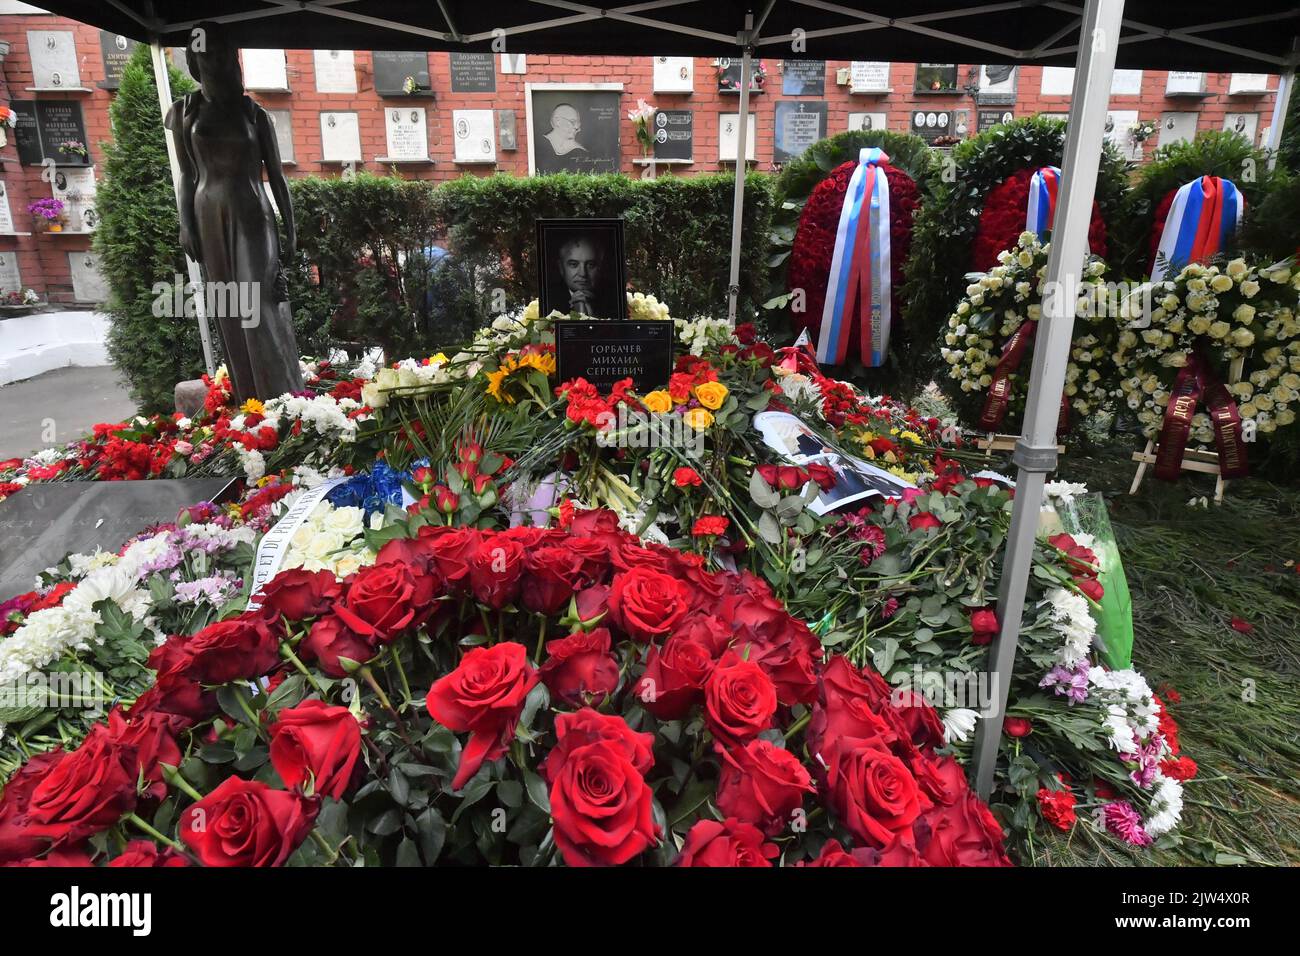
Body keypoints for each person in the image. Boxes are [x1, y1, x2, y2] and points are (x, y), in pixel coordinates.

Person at [166, 21, 303, 403]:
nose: (215, 61)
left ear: (231, 58)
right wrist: (186, 225)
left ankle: (283, 395)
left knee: (258, 304)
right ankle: (250, 399)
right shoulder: (185, 112)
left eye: (221, 53)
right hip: (208, 213)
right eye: (206, 54)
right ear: (194, 61)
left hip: (251, 213)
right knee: (228, 305)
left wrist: (291, 230)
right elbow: (187, 175)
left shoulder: (253, 114)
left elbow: (277, 177)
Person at [555, 234, 604, 316]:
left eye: (590, 265)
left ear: (600, 267)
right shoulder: (549, 300)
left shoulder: (613, 300)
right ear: (561, 268)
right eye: (573, 264)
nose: (583, 274)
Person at [537, 103, 589, 172]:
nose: (577, 127)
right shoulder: (539, 145)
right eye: (572, 122)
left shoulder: (578, 150)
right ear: (557, 121)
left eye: (578, 123)